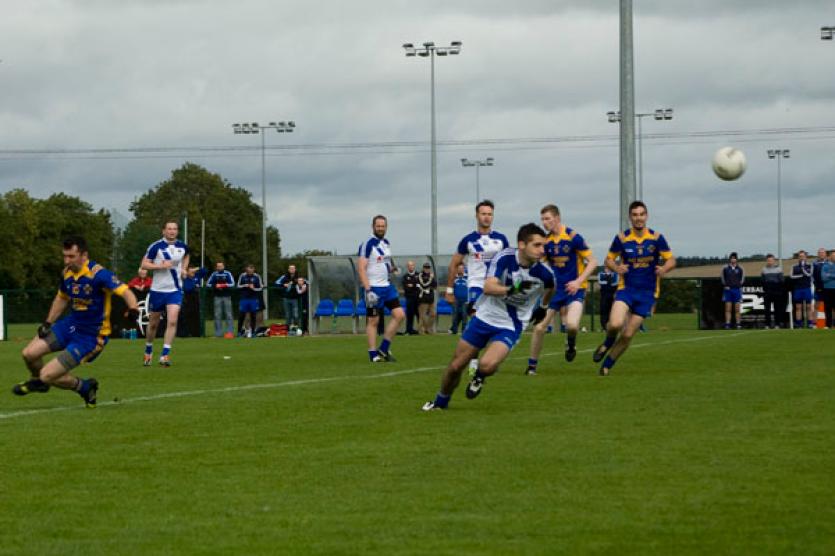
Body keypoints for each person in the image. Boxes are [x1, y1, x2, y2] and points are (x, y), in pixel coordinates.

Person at [422, 224, 555, 411]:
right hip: (485, 316)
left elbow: (551, 287)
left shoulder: (545, 273)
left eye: (543, 246)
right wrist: (512, 289)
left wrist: (543, 306)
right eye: (537, 245)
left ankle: (479, 377)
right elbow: (488, 288)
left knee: (487, 365)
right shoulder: (504, 258)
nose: (542, 250)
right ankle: (440, 402)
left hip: (511, 324)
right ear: (522, 245)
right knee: (455, 366)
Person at [12, 236, 139, 407]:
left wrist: (133, 309)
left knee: (47, 375)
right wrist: (48, 323)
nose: (67, 260)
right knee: (28, 354)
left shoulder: (99, 274)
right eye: (64, 256)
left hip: (91, 336)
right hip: (70, 325)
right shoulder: (67, 273)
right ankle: (39, 382)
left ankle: (83, 387)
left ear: (84, 255)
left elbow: (126, 292)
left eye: (71, 256)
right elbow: (61, 299)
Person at [593, 201, 676, 376]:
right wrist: (617, 268)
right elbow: (608, 260)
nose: (639, 218)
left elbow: (671, 260)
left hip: (647, 293)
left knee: (628, 335)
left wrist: (664, 269)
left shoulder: (656, 238)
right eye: (635, 215)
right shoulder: (622, 238)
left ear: (647, 216)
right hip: (626, 290)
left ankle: (607, 365)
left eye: (641, 214)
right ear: (630, 217)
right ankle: (607, 342)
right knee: (615, 323)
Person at [525, 204, 597, 375]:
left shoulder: (573, 237)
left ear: (557, 218)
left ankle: (570, 344)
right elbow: (542, 262)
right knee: (539, 327)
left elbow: (593, 262)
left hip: (574, 290)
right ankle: (531, 366)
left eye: (547, 218)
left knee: (572, 326)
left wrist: (579, 282)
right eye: (542, 219)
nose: (544, 222)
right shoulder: (546, 241)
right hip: (555, 292)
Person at [444, 200, 510, 373]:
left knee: (492, 324)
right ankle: (473, 363)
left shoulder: (501, 239)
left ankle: (487, 359)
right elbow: (454, 264)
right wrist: (449, 290)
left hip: (495, 287)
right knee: (476, 320)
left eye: (490, 214)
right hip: (476, 286)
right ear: (476, 216)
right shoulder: (468, 240)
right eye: (483, 214)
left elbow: (510, 263)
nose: (487, 217)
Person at [357, 215, 405, 362]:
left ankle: (384, 348)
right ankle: (373, 354)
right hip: (374, 289)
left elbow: (385, 263)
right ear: (373, 226)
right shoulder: (367, 244)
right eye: (378, 226)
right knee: (373, 321)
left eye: (383, 226)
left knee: (399, 315)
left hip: (387, 287)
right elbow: (361, 268)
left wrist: (393, 269)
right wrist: (368, 290)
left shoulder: (386, 243)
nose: (380, 228)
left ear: (386, 227)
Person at [141, 220, 189, 367]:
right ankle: (148, 348)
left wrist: (184, 269)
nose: (172, 231)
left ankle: (165, 355)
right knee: (153, 323)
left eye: (175, 229)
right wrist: (160, 266)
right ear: (163, 231)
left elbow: (187, 255)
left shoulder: (182, 246)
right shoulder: (156, 246)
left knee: (172, 320)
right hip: (158, 290)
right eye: (169, 229)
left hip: (175, 289)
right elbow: (144, 264)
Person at [207, 261, 235, 338]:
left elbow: (232, 283)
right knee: (217, 315)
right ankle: (218, 334)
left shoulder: (227, 273)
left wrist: (223, 285)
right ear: (216, 267)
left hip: (227, 296)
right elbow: (208, 284)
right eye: (218, 266)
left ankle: (230, 333)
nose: (219, 267)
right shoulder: (214, 274)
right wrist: (215, 285)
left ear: (223, 266)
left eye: (221, 266)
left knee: (228, 315)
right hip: (217, 297)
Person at [178, 266, 207, 338]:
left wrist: (196, 269)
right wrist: (194, 285)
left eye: (193, 272)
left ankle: (196, 333)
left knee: (196, 317)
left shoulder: (197, 276)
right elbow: (187, 288)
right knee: (187, 317)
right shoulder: (185, 279)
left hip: (196, 300)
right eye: (191, 272)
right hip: (187, 300)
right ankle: (186, 333)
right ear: (187, 273)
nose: (192, 273)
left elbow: (205, 271)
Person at [237, 264, 264, 337]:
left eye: (251, 270)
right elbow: (238, 286)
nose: (250, 271)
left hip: (253, 299)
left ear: (253, 270)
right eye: (248, 270)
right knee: (241, 315)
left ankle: (253, 332)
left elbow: (261, 288)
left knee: (253, 316)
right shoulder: (242, 275)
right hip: (244, 299)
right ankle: (239, 332)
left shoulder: (257, 276)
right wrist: (245, 285)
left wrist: (253, 288)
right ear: (246, 269)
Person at [791, 250, 814, 329]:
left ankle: (810, 323)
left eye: (803, 256)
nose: (802, 258)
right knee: (798, 307)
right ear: (798, 257)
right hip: (798, 289)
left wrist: (803, 269)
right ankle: (799, 324)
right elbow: (792, 276)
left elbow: (809, 274)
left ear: (806, 257)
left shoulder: (809, 266)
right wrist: (800, 275)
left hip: (807, 288)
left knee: (809, 307)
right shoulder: (794, 266)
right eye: (800, 256)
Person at [761, 254, 785, 329]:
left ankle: (777, 324)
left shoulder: (779, 269)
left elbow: (782, 281)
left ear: (774, 261)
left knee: (777, 309)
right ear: (766, 261)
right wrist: (766, 289)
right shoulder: (764, 269)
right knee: (767, 309)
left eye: (771, 260)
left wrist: (778, 289)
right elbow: (762, 281)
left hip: (776, 291)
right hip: (767, 292)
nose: (770, 262)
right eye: (768, 260)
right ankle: (767, 325)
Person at [721, 252, 745, 329]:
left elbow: (742, 279)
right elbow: (722, 278)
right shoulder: (725, 268)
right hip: (728, 291)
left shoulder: (740, 268)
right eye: (732, 258)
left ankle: (738, 324)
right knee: (728, 308)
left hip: (737, 290)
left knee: (737, 309)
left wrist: (738, 285)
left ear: (736, 259)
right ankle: (727, 324)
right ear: (730, 259)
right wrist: (725, 285)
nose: (733, 259)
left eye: (734, 258)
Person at [417, 262, 437, 334]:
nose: (427, 269)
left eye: (428, 267)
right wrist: (430, 279)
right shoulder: (420, 275)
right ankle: (422, 330)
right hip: (423, 298)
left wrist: (431, 279)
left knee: (433, 314)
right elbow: (424, 285)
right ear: (423, 268)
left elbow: (435, 285)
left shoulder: (431, 275)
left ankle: (428, 328)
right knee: (423, 315)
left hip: (431, 298)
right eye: (425, 267)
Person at [448, 263, 469, 334]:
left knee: (464, 315)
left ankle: (464, 331)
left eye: (462, 268)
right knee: (455, 315)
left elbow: (470, 288)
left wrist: (469, 299)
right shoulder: (454, 278)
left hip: (465, 300)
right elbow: (450, 288)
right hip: (455, 300)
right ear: (457, 269)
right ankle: (454, 331)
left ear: (464, 269)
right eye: (459, 268)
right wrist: (451, 296)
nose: (460, 270)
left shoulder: (468, 278)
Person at [402, 261, 420, 335]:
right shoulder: (405, 276)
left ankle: (421, 330)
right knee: (410, 315)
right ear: (407, 267)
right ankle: (409, 330)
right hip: (409, 298)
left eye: (412, 265)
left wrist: (412, 285)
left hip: (418, 298)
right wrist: (414, 285)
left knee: (419, 314)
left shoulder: (418, 275)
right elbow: (406, 288)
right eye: (409, 265)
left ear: (414, 266)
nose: (411, 267)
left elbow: (419, 286)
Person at [821, 250, 835, 328]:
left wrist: (829, 275)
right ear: (830, 257)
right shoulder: (825, 266)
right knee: (828, 308)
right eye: (833, 256)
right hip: (827, 289)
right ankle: (828, 325)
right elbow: (823, 278)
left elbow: (827, 276)